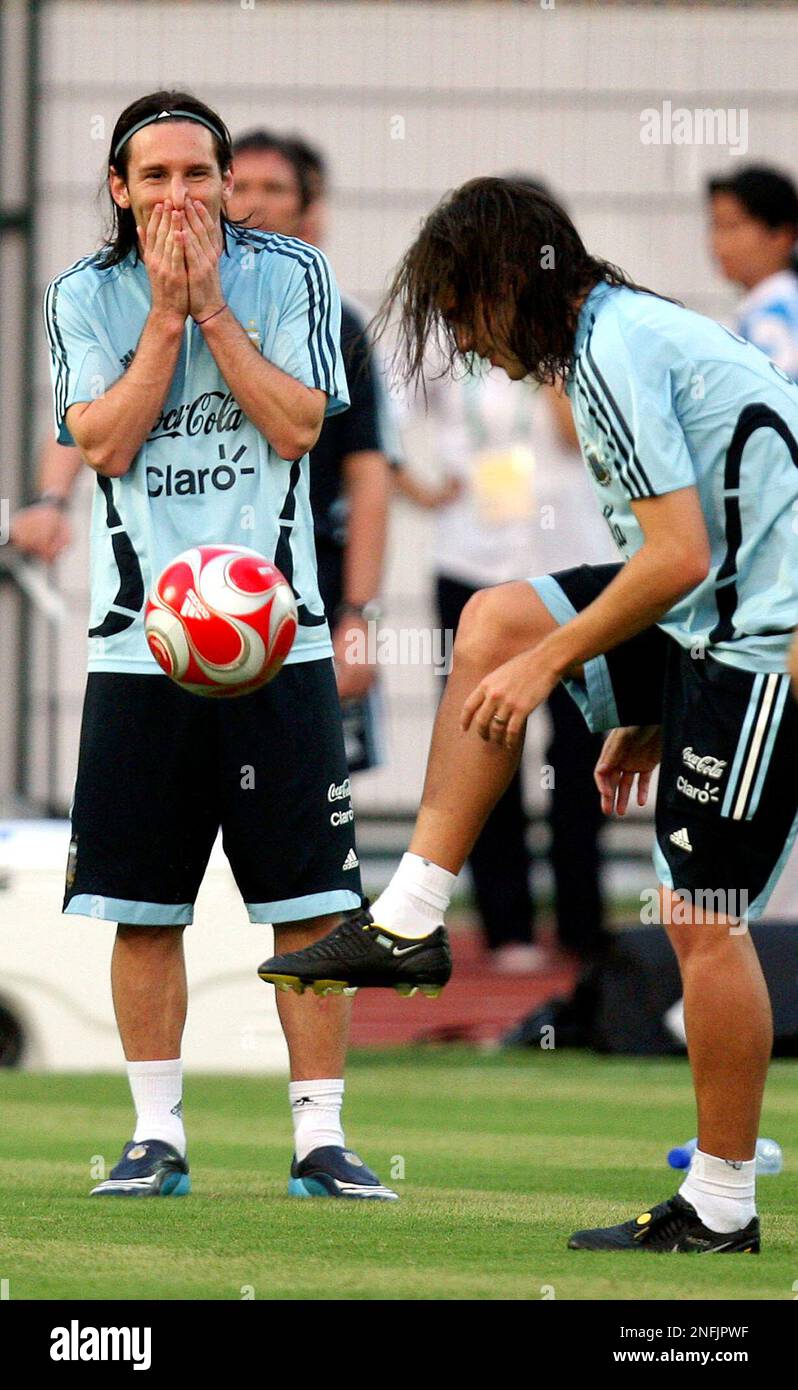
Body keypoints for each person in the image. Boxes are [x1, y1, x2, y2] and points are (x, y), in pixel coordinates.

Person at [259, 176, 798, 1253]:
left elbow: (682, 552)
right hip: (720, 610)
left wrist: (564, 661)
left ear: (509, 284)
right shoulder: (615, 333)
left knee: (702, 914)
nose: (459, 342)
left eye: (459, 312)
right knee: (497, 621)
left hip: (766, 640)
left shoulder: (611, 348)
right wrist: (640, 702)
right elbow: (693, 543)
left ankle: (724, 1210)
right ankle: (412, 916)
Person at [44, 89, 398, 1202]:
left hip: (275, 643)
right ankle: (156, 1137)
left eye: (198, 174)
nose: (179, 196)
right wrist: (161, 316)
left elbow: (299, 424)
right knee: (144, 906)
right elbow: (100, 440)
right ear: (119, 189)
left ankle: (320, 1141)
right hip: (138, 649)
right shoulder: (82, 296)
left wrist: (210, 315)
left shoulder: (292, 277)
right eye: (155, 178)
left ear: (227, 179)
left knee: (313, 901)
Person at [395, 352, 613, 971]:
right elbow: (374, 417)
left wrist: (552, 373)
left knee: (579, 747)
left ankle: (582, 922)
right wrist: (421, 489)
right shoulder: (440, 344)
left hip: (567, 564)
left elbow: (582, 442)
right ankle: (506, 924)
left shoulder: (568, 347)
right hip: (473, 567)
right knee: (487, 737)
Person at [228, 130, 392, 772]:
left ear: (307, 208)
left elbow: (370, 476)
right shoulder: (166, 311)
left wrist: (358, 615)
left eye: (276, 189)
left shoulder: (338, 324)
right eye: (242, 186)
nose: (256, 203)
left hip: (306, 594)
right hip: (191, 589)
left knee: (305, 794)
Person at [707, 164, 798, 379]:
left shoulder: (776, 312)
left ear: (780, 235)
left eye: (731, 226)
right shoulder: (762, 305)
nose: (718, 242)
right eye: (715, 226)